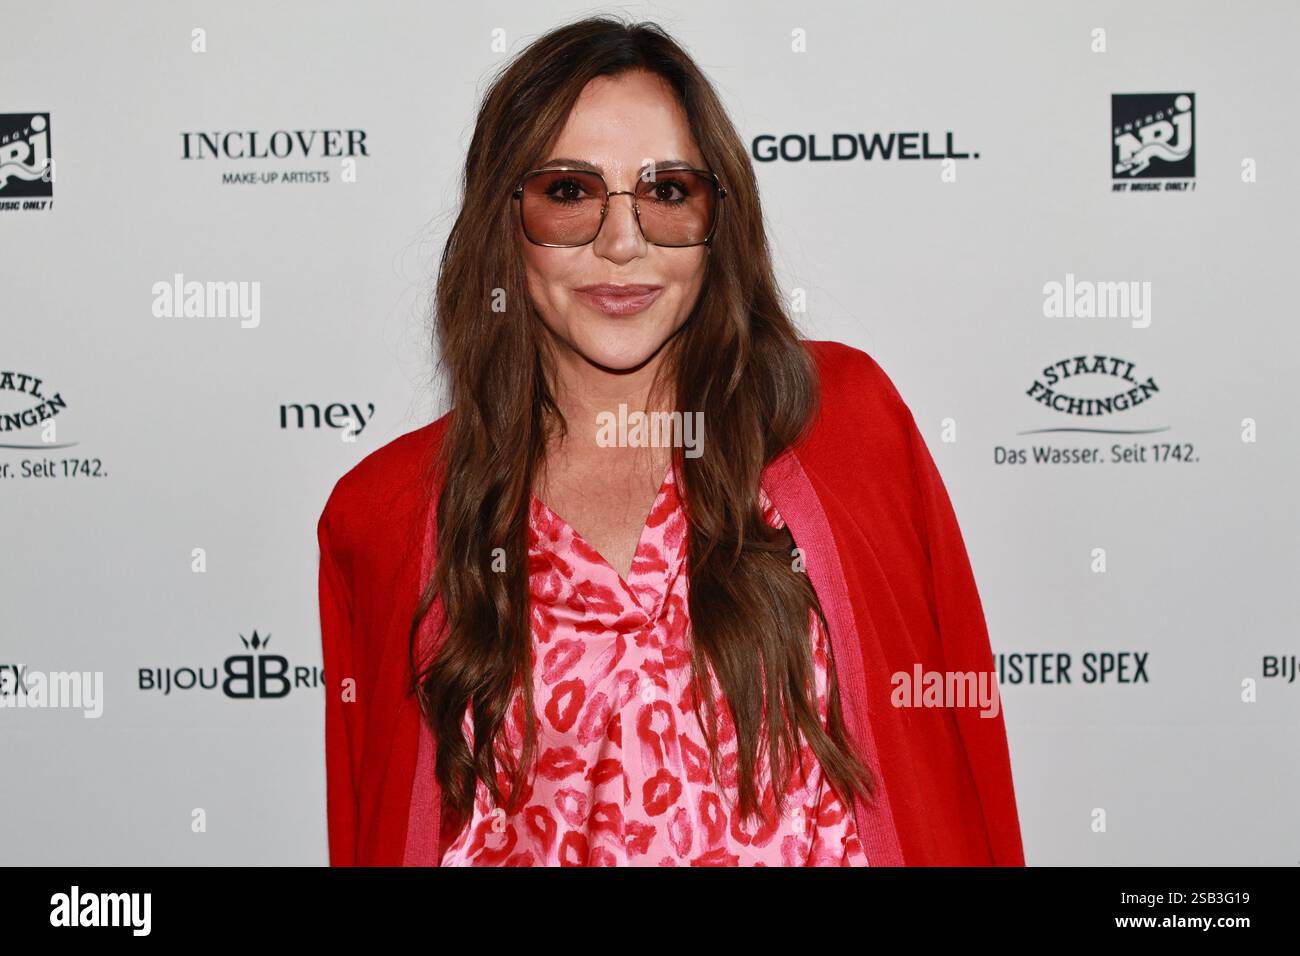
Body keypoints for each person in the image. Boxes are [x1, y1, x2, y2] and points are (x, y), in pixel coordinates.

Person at [317, 15, 1025, 866]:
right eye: (570, 193)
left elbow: (958, 764)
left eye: (667, 192)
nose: (624, 244)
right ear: (505, 221)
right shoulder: (384, 514)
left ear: (717, 217)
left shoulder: (847, 425)